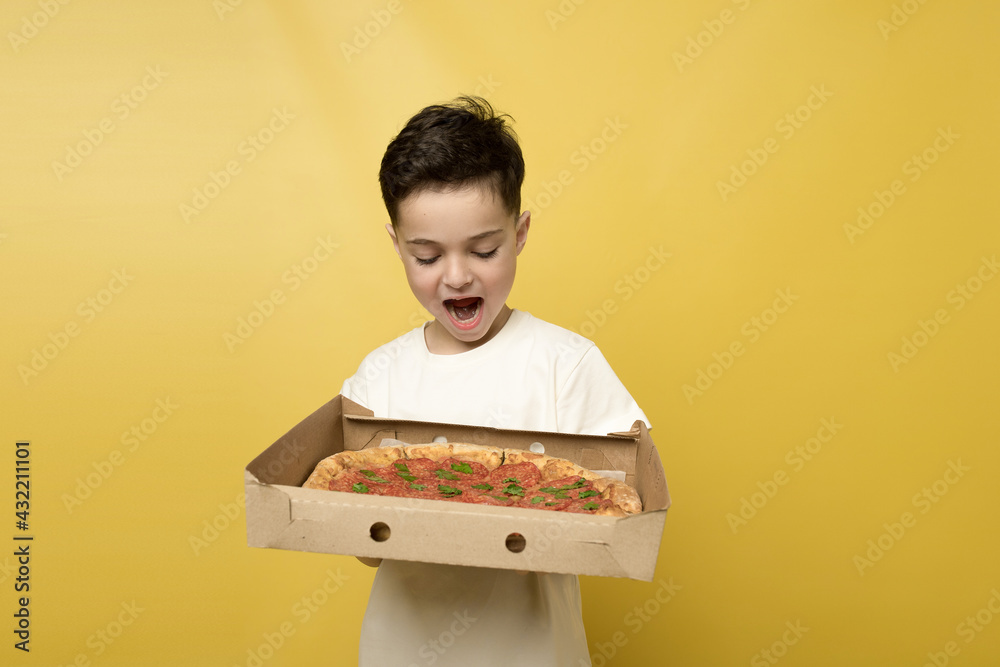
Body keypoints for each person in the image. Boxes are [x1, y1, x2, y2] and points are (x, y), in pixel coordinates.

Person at [340, 96, 649, 666]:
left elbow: (626, 509)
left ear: (521, 231)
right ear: (396, 246)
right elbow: (365, 548)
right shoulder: (377, 377)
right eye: (427, 257)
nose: (457, 276)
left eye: (484, 250)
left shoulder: (566, 364)